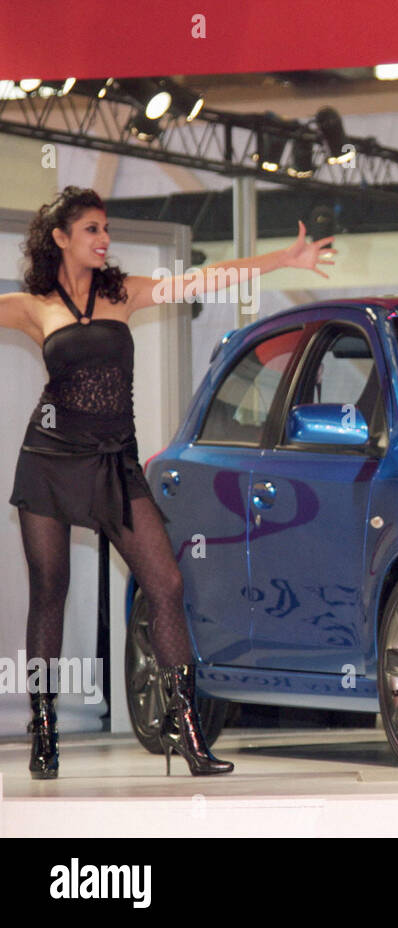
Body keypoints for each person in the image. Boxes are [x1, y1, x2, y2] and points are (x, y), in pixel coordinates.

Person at [0, 187, 335, 778]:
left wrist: (283, 260)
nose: (104, 239)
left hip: (115, 463)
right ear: (60, 238)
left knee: (167, 581)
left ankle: (184, 730)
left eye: (106, 229)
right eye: (91, 230)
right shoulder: (32, 306)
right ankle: (45, 727)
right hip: (50, 459)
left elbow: (209, 278)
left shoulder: (123, 293)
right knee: (50, 589)